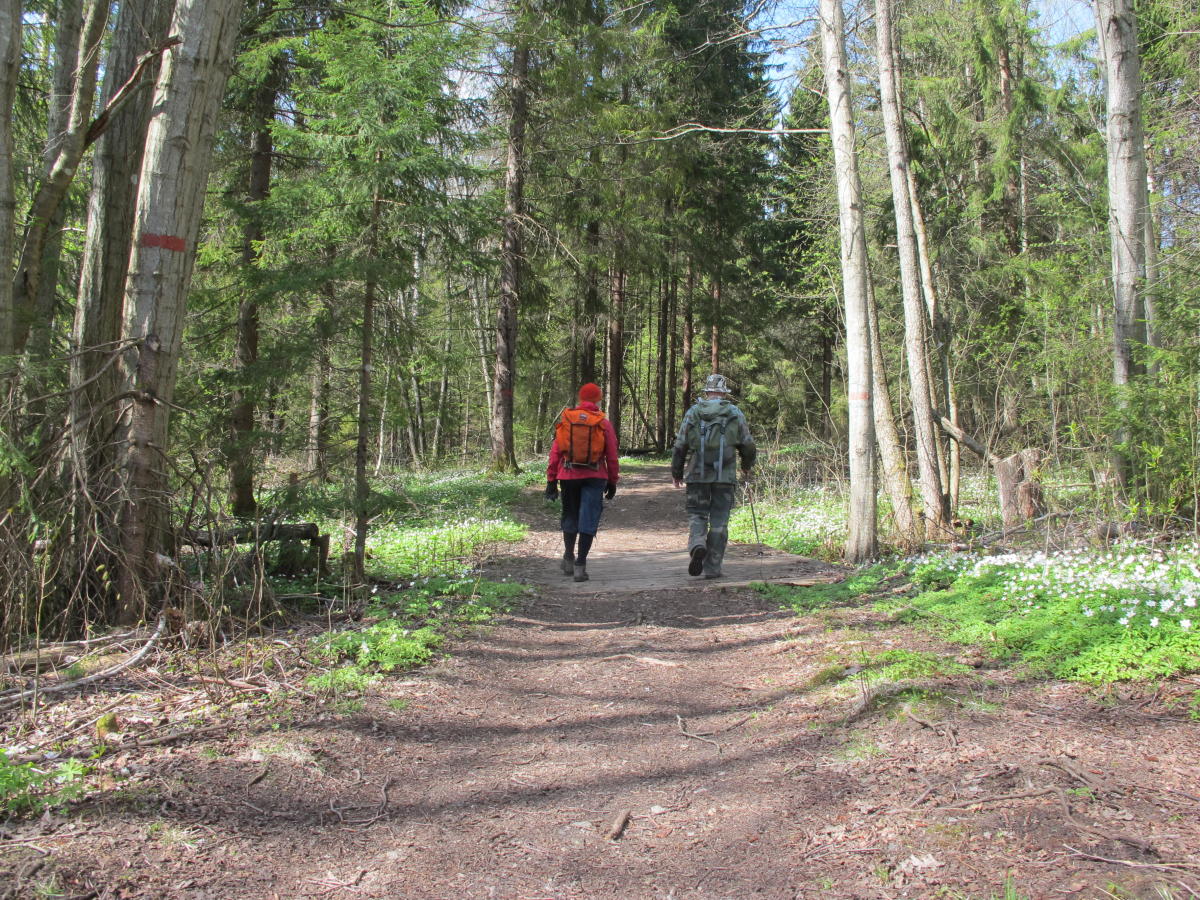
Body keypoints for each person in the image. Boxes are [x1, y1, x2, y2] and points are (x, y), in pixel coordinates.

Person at [671, 374, 756, 579]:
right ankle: (713, 568)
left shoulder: (693, 413)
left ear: (707, 392)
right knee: (719, 521)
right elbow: (748, 444)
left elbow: (680, 444)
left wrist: (677, 472)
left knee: (697, 514)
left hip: (697, 475)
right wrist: (746, 466)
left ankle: (698, 544)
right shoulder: (734, 413)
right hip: (724, 477)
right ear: (724, 393)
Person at [545, 382, 619, 582]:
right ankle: (580, 566)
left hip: (568, 475)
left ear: (580, 398)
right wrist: (612, 481)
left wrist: (551, 479)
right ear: (598, 399)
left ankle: (568, 557)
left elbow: (555, 452)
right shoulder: (602, 422)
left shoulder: (567, 419)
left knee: (570, 514)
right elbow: (612, 454)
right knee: (589, 518)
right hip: (595, 477)